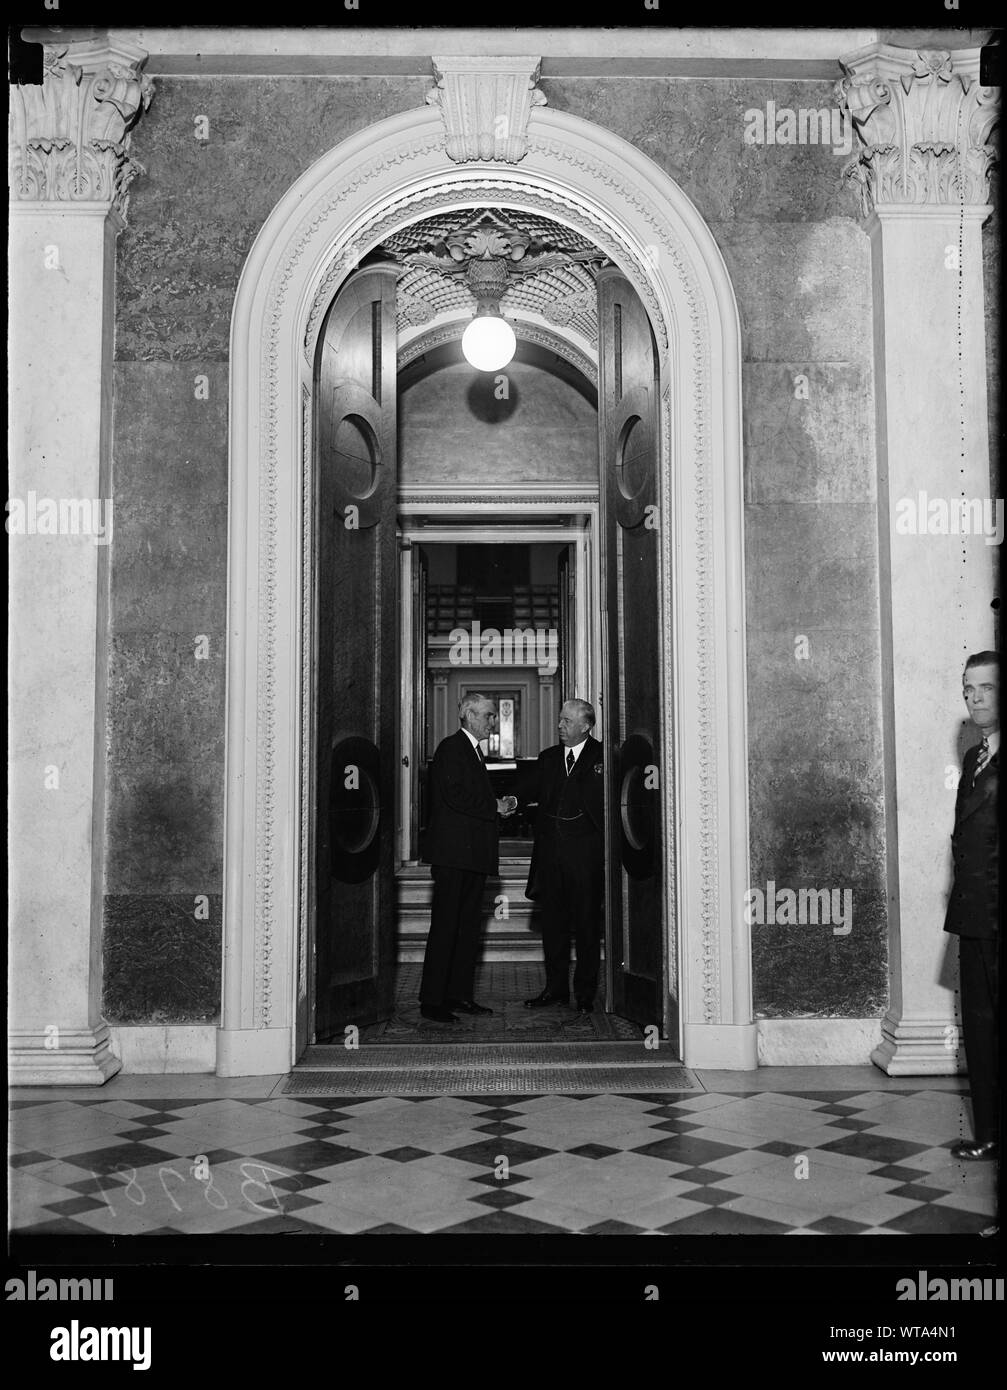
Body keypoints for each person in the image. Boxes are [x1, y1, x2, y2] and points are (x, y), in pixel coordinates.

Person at [419, 693, 517, 1023]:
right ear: (469, 715)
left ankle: (458, 995)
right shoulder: (451, 748)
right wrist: (494, 806)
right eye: (489, 715)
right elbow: (455, 796)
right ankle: (432, 1002)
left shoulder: (471, 751)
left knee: (467, 930)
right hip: (453, 857)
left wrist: (495, 805)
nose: (493, 721)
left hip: (471, 856)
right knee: (447, 928)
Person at [944, 650, 999, 1161]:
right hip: (974, 916)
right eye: (968, 689)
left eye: (985, 688)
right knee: (979, 1028)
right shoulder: (973, 757)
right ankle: (988, 1135)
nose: (974, 698)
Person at [520, 698, 605, 1014]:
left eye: (567, 721)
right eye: (559, 720)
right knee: (553, 928)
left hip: (586, 860)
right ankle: (555, 990)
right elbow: (527, 789)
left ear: (585, 725)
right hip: (551, 860)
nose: (560, 726)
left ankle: (584, 995)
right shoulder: (549, 758)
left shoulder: (603, 757)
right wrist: (513, 798)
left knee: (585, 928)